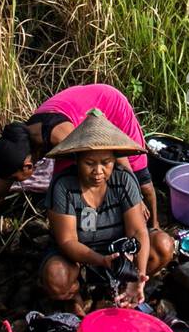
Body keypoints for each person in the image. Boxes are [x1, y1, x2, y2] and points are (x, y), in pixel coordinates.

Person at [0, 83, 162, 261]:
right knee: (70, 185)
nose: (14, 183)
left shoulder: (62, 138)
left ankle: (154, 226)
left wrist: (135, 194)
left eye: (16, 180)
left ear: (27, 167)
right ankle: (86, 241)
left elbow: (110, 149)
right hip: (78, 119)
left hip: (108, 104)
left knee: (143, 183)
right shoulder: (20, 148)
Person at [39, 110, 175, 310]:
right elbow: (67, 241)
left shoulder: (123, 180)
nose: (98, 171)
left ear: (114, 160)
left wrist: (138, 274)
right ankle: (78, 295)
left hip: (118, 253)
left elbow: (137, 231)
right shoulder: (63, 186)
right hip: (79, 256)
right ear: (76, 159)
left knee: (163, 245)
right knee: (56, 278)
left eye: (106, 163)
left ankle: (122, 287)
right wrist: (101, 261)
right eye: (90, 163)